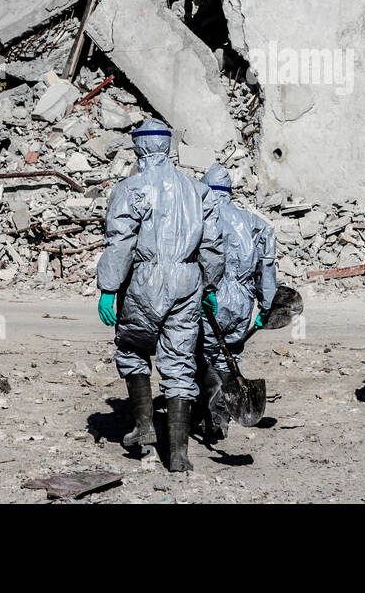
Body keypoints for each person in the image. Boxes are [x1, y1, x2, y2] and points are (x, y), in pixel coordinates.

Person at [95, 118, 224, 472]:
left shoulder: (131, 188)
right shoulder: (199, 191)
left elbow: (119, 242)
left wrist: (108, 288)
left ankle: (144, 426)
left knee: (132, 348)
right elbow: (213, 245)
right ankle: (179, 454)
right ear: (166, 146)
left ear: (139, 148)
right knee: (180, 360)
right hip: (188, 280)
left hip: (144, 280)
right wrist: (210, 285)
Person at [196, 163, 277, 440]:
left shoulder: (201, 216)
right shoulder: (254, 222)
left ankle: (213, 413)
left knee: (204, 354)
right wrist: (266, 304)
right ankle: (221, 411)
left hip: (211, 294)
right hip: (242, 298)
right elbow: (267, 265)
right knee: (229, 352)